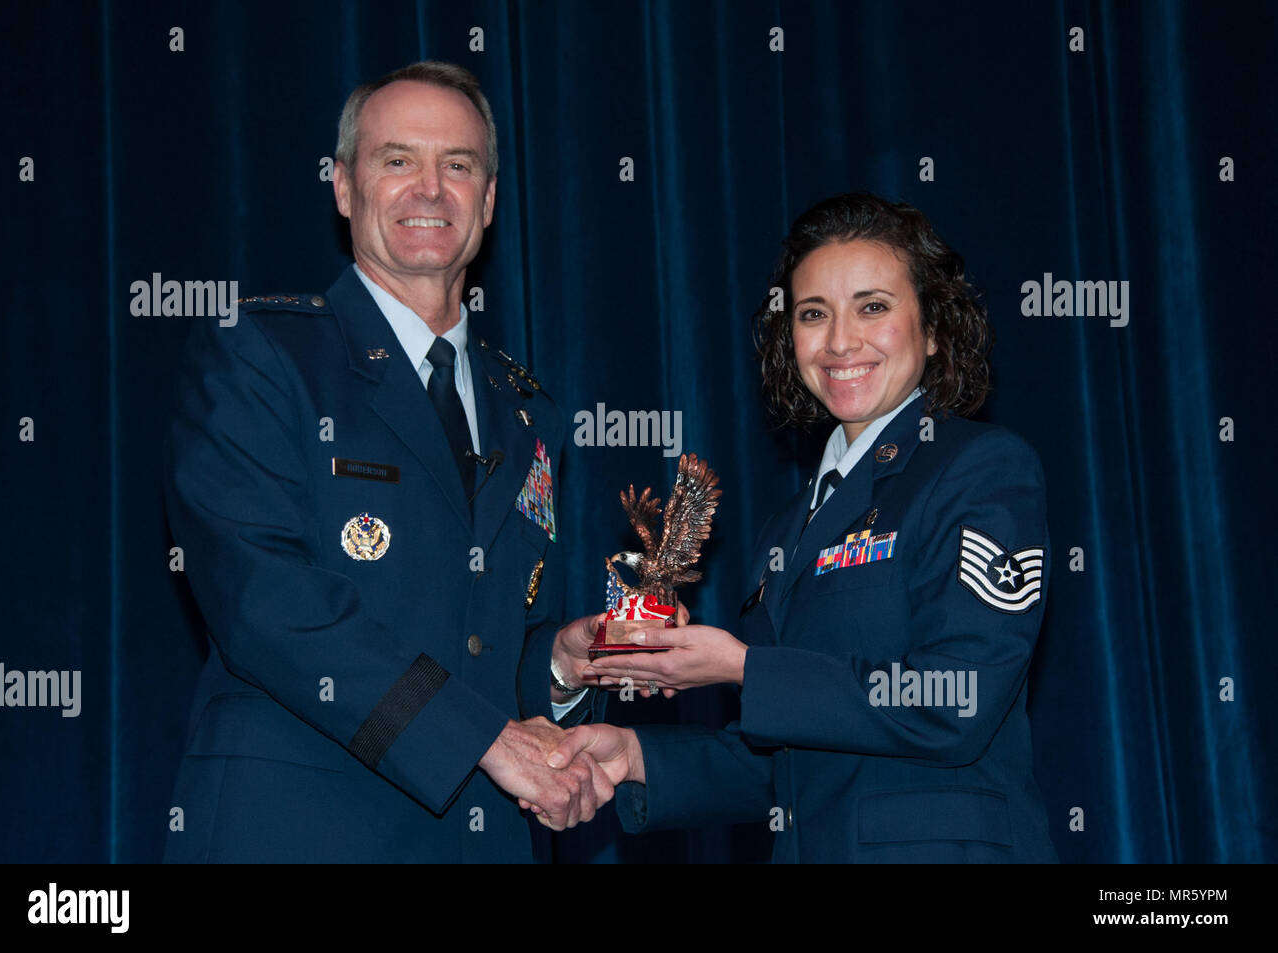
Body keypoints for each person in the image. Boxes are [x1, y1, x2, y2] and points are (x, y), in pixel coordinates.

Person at [162, 61, 612, 863]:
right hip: (297, 830)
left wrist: (560, 665)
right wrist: (479, 737)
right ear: (343, 187)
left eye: (459, 165)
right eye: (397, 160)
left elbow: (486, 635)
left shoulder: (528, 407)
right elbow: (264, 600)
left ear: (491, 200)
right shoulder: (261, 353)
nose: (430, 189)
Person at [552, 192, 1059, 862]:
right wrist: (636, 756)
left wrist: (743, 667)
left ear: (934, 328)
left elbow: (955, 701)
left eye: (873, 306)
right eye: (814, 314)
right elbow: (784, 759)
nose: (841, 340)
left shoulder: (980, 467)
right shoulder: (789, 526)